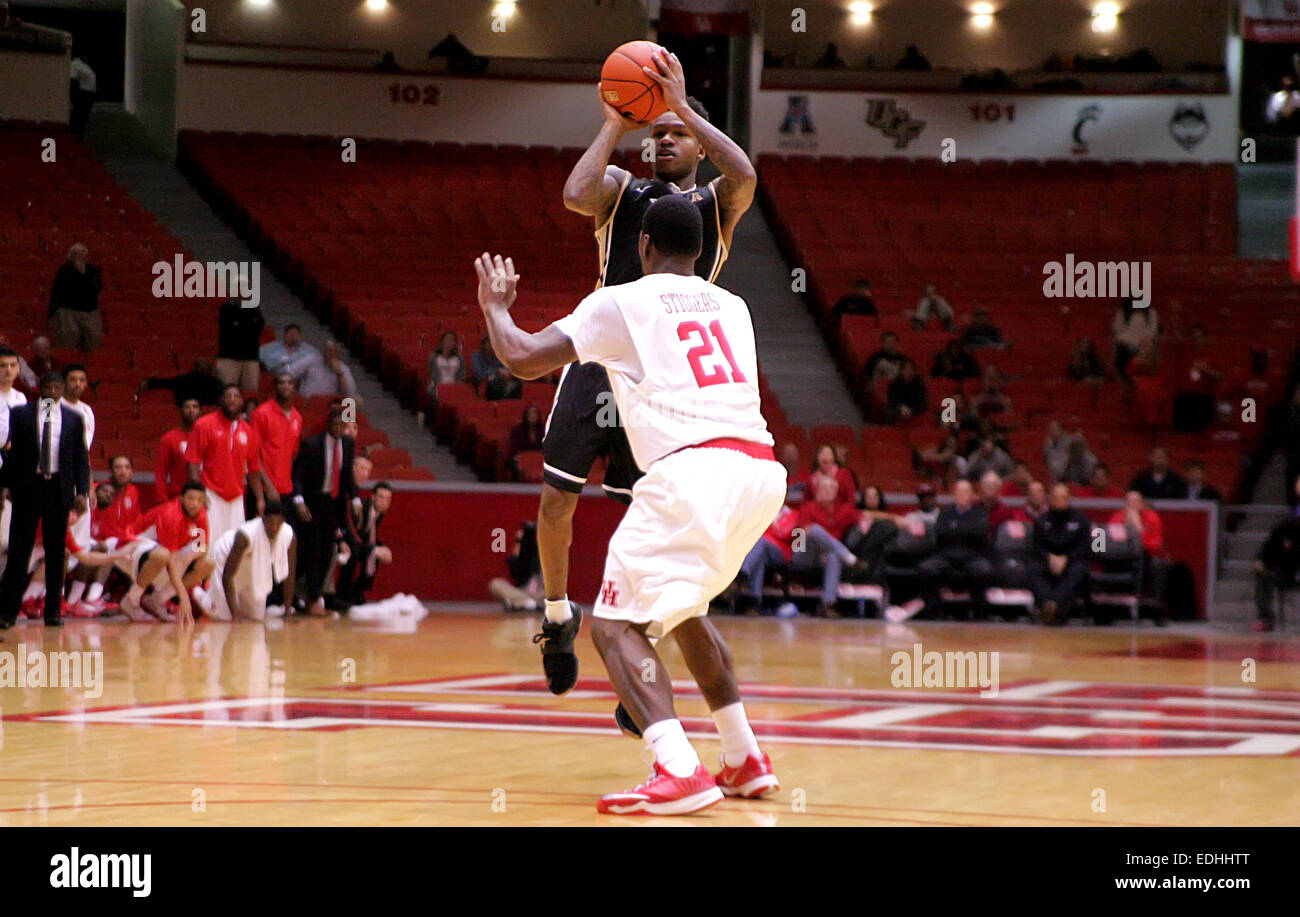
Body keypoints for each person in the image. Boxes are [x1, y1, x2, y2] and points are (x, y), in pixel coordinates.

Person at [473, 194, 783, 814]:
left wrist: (495, 308)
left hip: (689, 475)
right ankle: (744, 757)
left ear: (641, 246)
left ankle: (676, 766)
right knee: (690, 612)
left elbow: (522, 357)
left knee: (614, 626)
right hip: (758, 472)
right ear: (701, 252)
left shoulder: (623, 300)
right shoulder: (735, 304)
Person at [533, 45, 758, 709]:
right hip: (597, 367)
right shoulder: (621, 192)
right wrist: (614, 122)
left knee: (644, 530)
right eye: (655, 132)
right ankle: (554, 617)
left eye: (675, 132)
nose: (662, 139)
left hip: (661, 392)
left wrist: (681, 103)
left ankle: (643, 677)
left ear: (697, 142)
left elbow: (745, 175)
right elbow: (574, 193)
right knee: (556, 501)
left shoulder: (715, 205)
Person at [0, 372, 91, 628]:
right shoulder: (21, 414)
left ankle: (53, 612)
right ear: (40, 387)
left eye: (56, 386)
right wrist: (6, 484)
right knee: (20, 551)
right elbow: (11, 454)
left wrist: (81, 492)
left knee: (55, 553)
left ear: (62, 390)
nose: (52, 390)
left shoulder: (74, 419)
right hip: (28, 488)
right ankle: (7, 613)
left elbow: (80, 460)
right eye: (47, 385)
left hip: (58, 489)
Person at [885, 480, 992, 623]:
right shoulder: (945, 513)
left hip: (971, 555)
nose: (962, 495)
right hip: (947, 554)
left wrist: (956, 529)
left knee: (983, 570)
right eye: (959, 492)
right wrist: (962, 530)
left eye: (965, 492)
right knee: (927, 568)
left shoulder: (980, 514)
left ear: (972, 495)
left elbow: (979, 532)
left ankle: (979, 614)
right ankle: (934, 612)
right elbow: (941, 532)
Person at [291, 408, 356, 616]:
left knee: (329, 552)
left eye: (342, 425)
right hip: (313, 502)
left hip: (334, 504)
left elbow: (347, 476)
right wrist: (299, 500)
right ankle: (311, 599)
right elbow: (298, 475)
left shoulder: (348, 444)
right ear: (329, 424)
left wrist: (354, 498)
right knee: (313, 551)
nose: (339, 429)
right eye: (336, 424)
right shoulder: (313, 444)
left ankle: (319, 596)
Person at [186, 384, 267, 543]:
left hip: (236, 497)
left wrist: (260, 499)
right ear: (220, 400)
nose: (232, 399)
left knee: (232, 548)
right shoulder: (203, 425)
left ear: (242, 401)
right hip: (209, 494)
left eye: (236, 396)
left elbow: (253, 470)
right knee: (203, 544)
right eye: (228, 396)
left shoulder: (248, 431)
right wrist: (197, 493)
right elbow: (193, 462)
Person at [127, 481, 214, 621]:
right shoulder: (172, 515)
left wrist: (190, 556)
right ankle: (131, 599)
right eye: (191, 498)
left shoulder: (200, 513)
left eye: (199, 500)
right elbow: (171, 560)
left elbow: (202, 545)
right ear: (181, 499)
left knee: (208, 563)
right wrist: (183, 596)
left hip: (165, 550)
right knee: (163, 555)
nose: (195, 503)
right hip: (131, 545)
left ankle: (155, 601)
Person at [201, 504, 296, 621]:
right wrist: (234, 616)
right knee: (223, 617)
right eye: (271, 523)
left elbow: (290, 575)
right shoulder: (245, 536)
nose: (275, 528)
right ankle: (203, 596)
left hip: (253, 564)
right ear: (263, 519)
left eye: (279, 524)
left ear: (284, 522)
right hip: (226, 556)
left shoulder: (289, 536)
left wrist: (287, 612)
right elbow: (227, 575)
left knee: (256, 617)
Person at [1029, 483, 1092, 625]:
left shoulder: (1082, 520)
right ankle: (1047, 604)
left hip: (1073, 560)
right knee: (1033, 567)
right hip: (1047, 560)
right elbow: (1035, 547)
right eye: (1056, 497)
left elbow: (1087, 548)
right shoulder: (1041, 520)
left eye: (1063, 497)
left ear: (1069, 498)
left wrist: (1066, 558)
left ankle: (1054, 605)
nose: (1059, 500)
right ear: (1050, 499)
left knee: (1079, 569)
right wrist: (1049, 557)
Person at [337, 481, 393, 608]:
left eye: (388, 499)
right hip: (343, 541)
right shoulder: (362, 509)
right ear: (373, 497)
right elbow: (351, 535)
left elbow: (368, 537)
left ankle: (357, 591)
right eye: (381, 497)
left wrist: (382, 548)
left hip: (356, 544)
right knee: (355, 553)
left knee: (377, 552)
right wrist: (374, 548)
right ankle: (342, 595)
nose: (384, 502)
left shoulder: (378, 513)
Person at [251, 373, 304, 502]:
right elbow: (253, 454)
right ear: (275, 386)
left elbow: (293, 453)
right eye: (281, 382)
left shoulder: (297, 417)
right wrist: (269, 486)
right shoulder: (262, 413)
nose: (286, 386)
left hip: (286, 488)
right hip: (264, 488)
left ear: (294, 388)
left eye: (289, 383)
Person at [48, 243, 103, 351]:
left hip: (90, 312)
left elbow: (96, 288)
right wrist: (51, 314)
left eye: (82, 255)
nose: (79, 257)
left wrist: (82, 273)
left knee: (93, 341)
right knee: (67, 342)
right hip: (67, 312)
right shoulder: (64, 270)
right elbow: (56, 293)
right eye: (76, 255)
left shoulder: (93, 270)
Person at [1251, 514, 1300, 632]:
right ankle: (1265, 619)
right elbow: (1262, 555)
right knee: (1261, 576)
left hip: (1293, 575)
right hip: (1275, 573)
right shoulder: (1278, 534)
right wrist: (1260, 562)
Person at [154, 397, 202, 503]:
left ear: (200, 411)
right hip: (179, 497)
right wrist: (162, 499)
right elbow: (161, 473)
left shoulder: (208, 437)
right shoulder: (169, 439)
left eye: (195, 407)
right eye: (187, 407)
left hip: (206, 497)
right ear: (181, 411)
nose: (191, 410)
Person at [489, 520, 543, 612]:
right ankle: (526, 602)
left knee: (553, 595)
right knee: (495, 583)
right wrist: (519, 545)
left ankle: (522, 603)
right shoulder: (518, 554)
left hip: (540, 592)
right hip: (522, 591)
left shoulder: (544, 551)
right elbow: (515, 574)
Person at [216, 296, 266, 391]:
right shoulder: (227, 307)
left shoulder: (254, 308)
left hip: (251, 357)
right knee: (227, 390)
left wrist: (242, 325)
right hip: (229, 357)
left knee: (250, 392)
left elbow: (259, 326)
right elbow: (229, 329)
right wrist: (248, 325)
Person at [141, 358, 223, 407]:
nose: (204, 368)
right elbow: (166, 383)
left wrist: (150, 383)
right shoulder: (183, 379)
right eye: (202, 366)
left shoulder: (216, 383)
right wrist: (150, 383)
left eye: (206, 366)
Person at [1111, 298, 1159, 380]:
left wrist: (1145, 341)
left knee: (1145, 354)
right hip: (1125, 344)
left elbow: (1153, 330)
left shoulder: (1151, 312)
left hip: (1144, 343)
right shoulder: (1123, 312)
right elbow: (1117, 329)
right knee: (1122, 353)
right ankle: (1125, 378)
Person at [291, 339, 356, 400]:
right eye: (328, 350)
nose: (329, 354)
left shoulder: (343, 368)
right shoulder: (313, 359)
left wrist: (340, 374)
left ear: (338, 354)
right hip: (306, 401)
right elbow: (291, 371)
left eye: (333, 351)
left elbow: (350, 393)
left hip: (327, 404)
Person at [428, 331, 465, 397]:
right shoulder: (434, 357)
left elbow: (461, 376)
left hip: (454, 388)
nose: (449, 342)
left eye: (452, 340)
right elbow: (432, 373)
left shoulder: (459, 358)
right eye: (447, 339)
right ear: (442, 342)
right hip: (438, 387)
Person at [69, 55, 96, 136]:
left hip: (89, 94)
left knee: (83, 117)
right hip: (83, 93)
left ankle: (79, 134)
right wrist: (74, 95)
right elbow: (73, 79)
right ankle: (75, 135)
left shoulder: (86, 66)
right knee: (79, 116)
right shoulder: (75, 63)